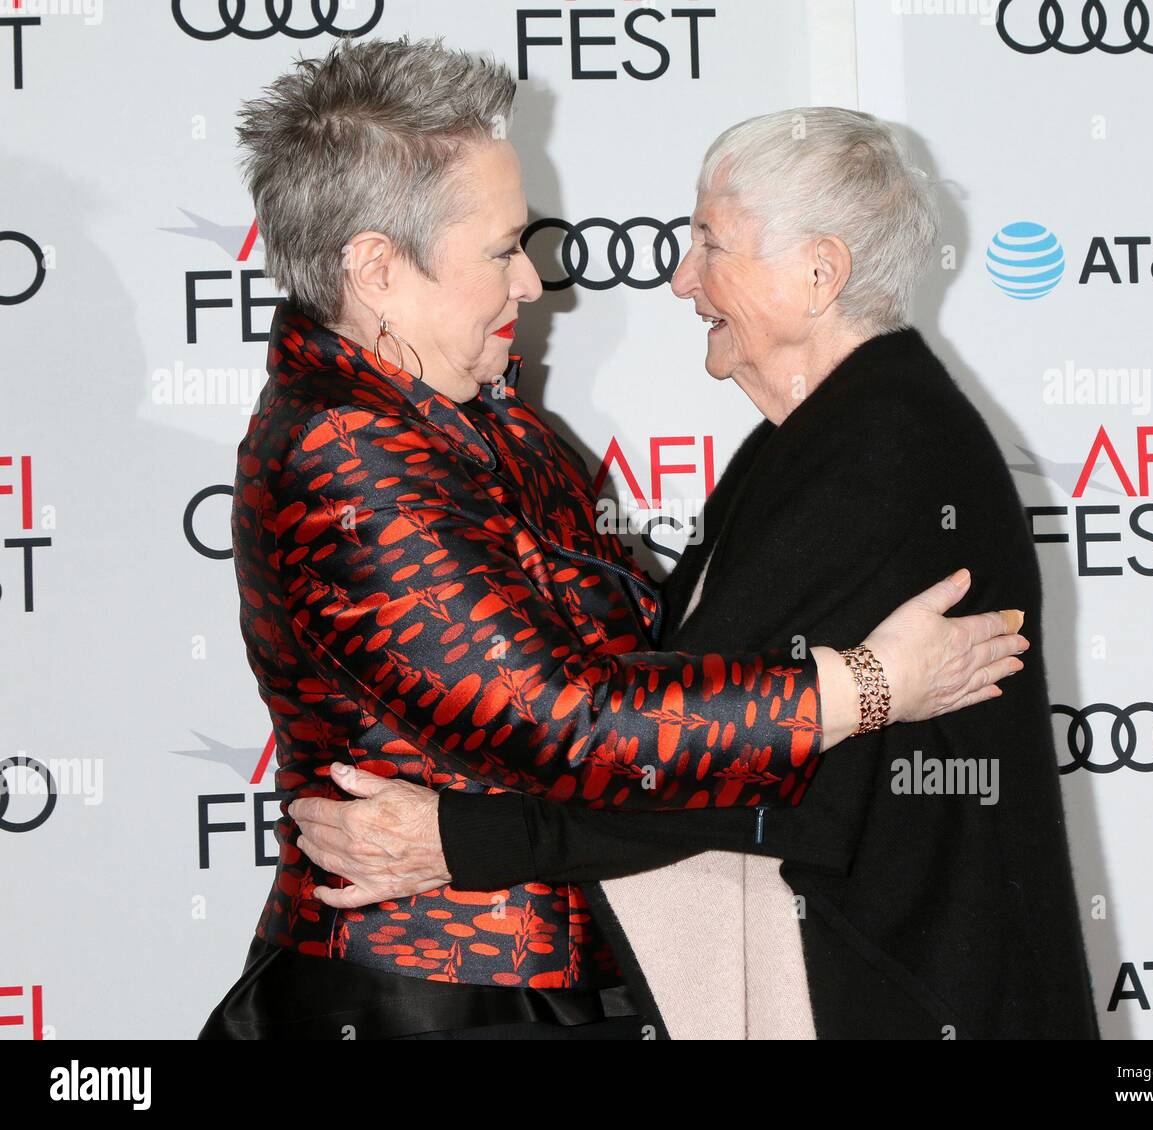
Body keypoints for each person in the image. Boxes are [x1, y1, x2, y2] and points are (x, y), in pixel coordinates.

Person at [198, 40, 1027, 1041]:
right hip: (419, 991)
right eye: (501, 250)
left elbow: (652, 659)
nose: (533, 285)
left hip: (545, 980)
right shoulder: (343, 452)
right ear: (377, 270)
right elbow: (566, 721)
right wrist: (865, 687)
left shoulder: (490, 422)